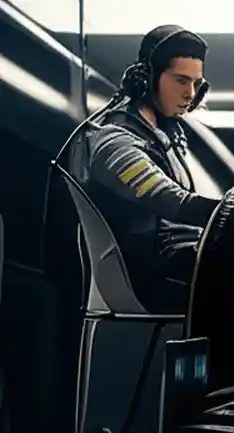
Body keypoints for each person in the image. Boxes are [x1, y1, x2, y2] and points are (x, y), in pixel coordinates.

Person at [80, 25, 221, 312]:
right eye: (181, 81)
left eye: (196, 84)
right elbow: (168, 199)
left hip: (172, 264)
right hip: (145, 277)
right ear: (146, 79)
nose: (190, 94)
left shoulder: (166, 136)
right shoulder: (114, 141)